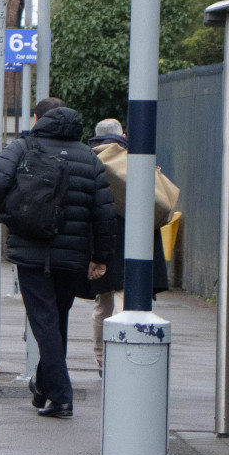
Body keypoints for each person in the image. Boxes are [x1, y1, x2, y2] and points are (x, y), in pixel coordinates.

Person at [0, 97, 117, 419]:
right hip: (72, 256)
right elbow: (104, 213)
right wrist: (100, 256)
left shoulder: (22, 148)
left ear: (39, 120)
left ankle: (61, 396)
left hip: (31, 250)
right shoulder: (89, 158)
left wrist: (2, 215)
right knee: (56, 321)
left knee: (44, 323)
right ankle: (44, 386)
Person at [86, 117, 180, 372]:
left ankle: (101, 356)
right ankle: (119, 353)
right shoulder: (135, 159)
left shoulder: (89, 159)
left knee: (102, 300)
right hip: (133, 236)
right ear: (122, 135)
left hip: (100, 235)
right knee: (124, 295)